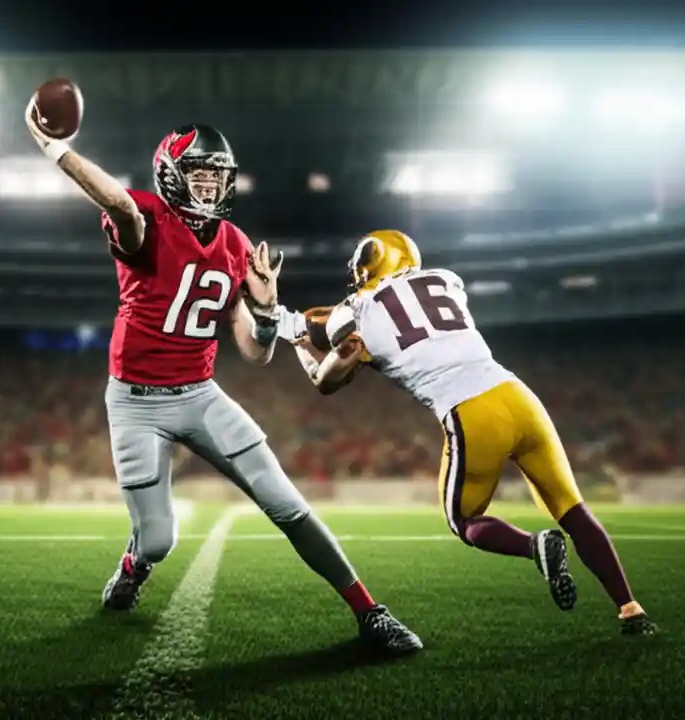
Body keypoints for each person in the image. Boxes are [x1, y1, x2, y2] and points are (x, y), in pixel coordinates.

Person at [24, 102, 422, 653]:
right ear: (170, 174)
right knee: (158, 540)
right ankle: (135, 564)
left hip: (200, 394)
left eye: (218, 174)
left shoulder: (235, 243)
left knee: (287, 503)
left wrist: (266, 312)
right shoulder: (145, 219)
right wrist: (54, 147)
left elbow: (254, 353)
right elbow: (118, 202)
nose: (210, 184)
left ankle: (370, 611)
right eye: (198, 172)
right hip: (137, 402)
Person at [282, 229, 656, 636]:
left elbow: (328, 378)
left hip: (470, 412)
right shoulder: (445, 281)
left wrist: (300, 338)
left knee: (463, 520)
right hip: (519, 398)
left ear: (367, 266)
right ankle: (631, 609)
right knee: (573, 509)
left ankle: (535, 546)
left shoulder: (353, 313)